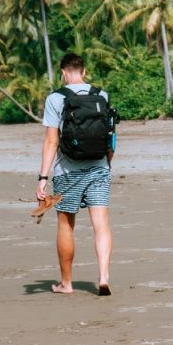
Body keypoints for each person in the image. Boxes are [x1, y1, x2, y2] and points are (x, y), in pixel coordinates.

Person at [36, 53, 116, 296]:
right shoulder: (102, 95)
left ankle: (66, 283)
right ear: (84, 71)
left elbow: (51, 142)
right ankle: (103, 277)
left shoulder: (55, 98)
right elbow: (111, 136)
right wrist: (107, 164)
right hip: (99, 166)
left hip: (67, 171)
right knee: (101, 224)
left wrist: (42, 178)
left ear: (63, 73)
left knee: (66, 226)